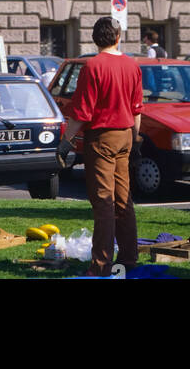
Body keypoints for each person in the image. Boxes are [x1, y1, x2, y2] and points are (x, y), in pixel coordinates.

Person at [59, 17, 144, 278]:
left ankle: (101, 265)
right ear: (118, 37)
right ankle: (129, 258)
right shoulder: (132, 65)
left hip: (102, 138)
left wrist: (65, 142)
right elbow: (137, 108)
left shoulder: (92, 67)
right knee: (123, 200)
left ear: (95, 39)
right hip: (126, 135)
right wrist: (136, 139)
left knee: (103, 202)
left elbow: (82, 112)